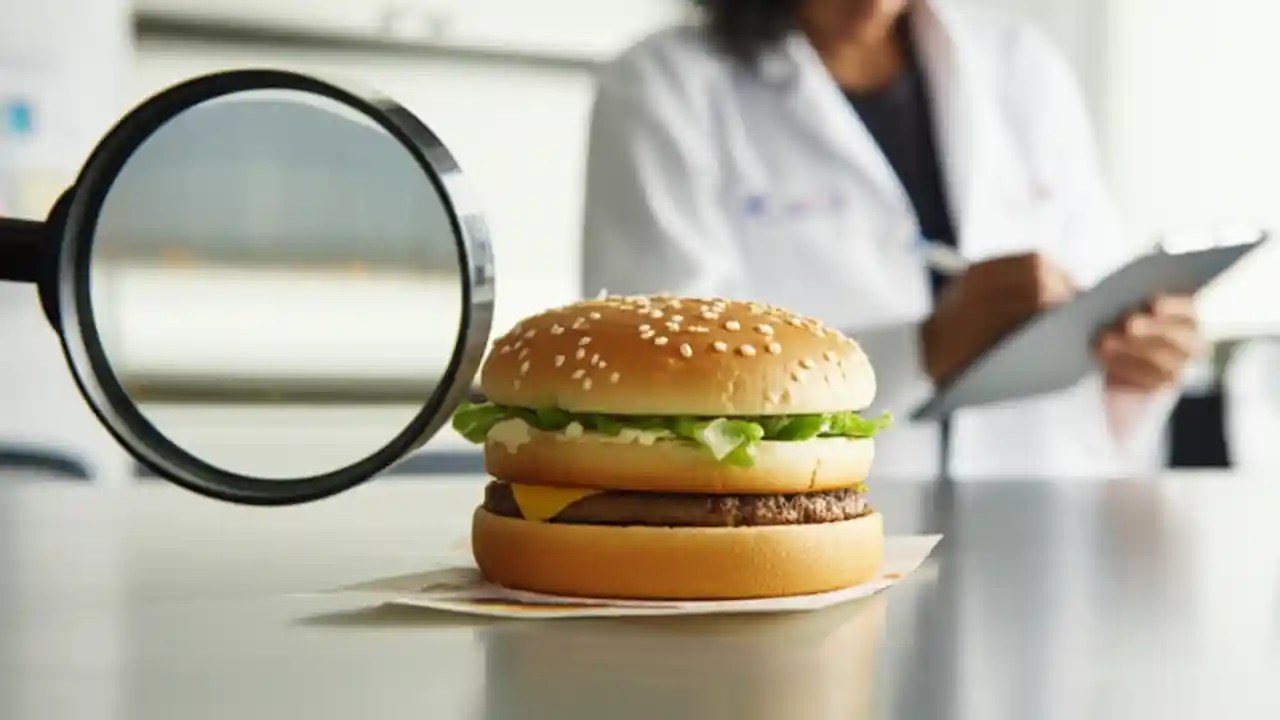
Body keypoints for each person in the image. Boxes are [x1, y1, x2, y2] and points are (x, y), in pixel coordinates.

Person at [580, 0, 1202, 478]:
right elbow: (659, 381)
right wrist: (920, 351)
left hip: (1043, 512)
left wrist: (1139, 366)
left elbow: (1096, 301)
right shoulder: (664, 87)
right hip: (816, 527)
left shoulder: (1022, 70)